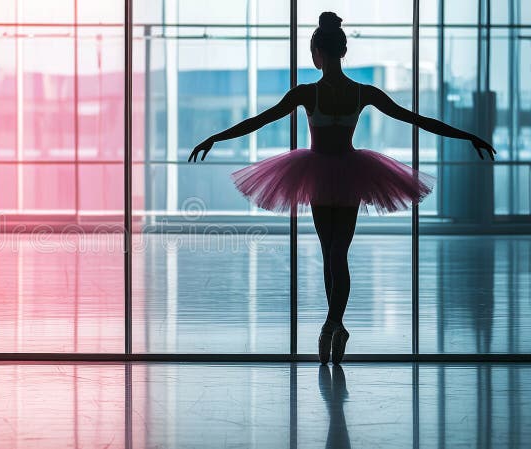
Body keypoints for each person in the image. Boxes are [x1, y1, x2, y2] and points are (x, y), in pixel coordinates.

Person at [187, 11, 496, 364]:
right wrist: (468, 135)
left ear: (317, 52)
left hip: (333, 172)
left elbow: (259, 120)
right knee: (334, 253)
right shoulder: (355, 92)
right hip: (336, 172)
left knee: (333, 253)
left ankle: (332, 323)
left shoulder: (315, 92)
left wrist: (214, 137)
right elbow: (417, 120)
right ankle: (336, 325)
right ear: (342, 50)